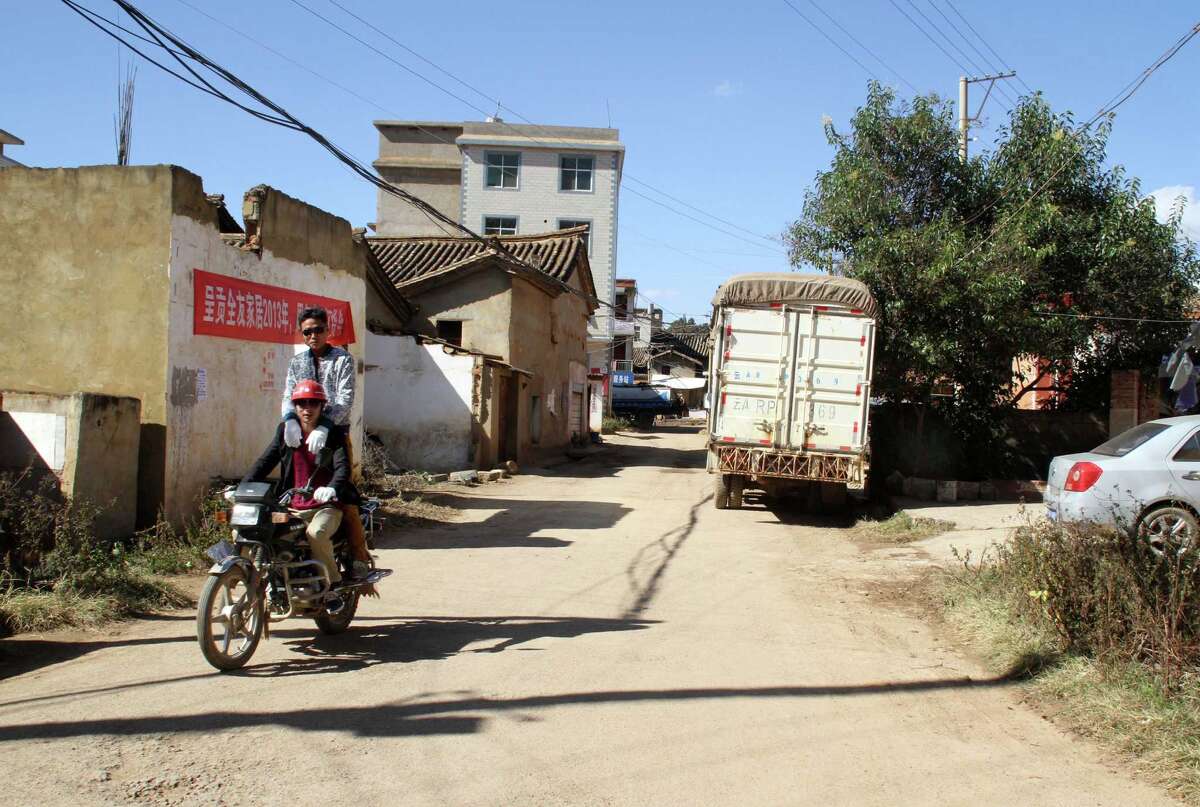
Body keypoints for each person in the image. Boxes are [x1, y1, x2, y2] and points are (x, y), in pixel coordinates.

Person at [281, 305, 372, 582]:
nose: (313, 335)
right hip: (300, 434)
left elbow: (345, 400)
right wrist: (290, 420)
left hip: (334, 436)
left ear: (328, 331)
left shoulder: (342, 359)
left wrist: (323, 426)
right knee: (287, 491)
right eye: (307, 331)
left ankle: (358, 557)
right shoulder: (297, 362)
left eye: (318, 330)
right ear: (302, 333)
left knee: (344, 495)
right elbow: (288, 394)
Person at [245, 379, 353, 612]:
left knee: (316, 534)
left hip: (325, 506)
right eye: (302, 403)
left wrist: (332, 488)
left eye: (313, 403)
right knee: (258, 532)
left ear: (322, 406)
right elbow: (265, 461)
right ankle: (270, 582)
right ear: (294, 407)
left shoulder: (333, 434)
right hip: (292, 504)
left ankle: (332, 587)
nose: (307, 408)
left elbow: (343, 467)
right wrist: (243, 487)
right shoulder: (287, 432)